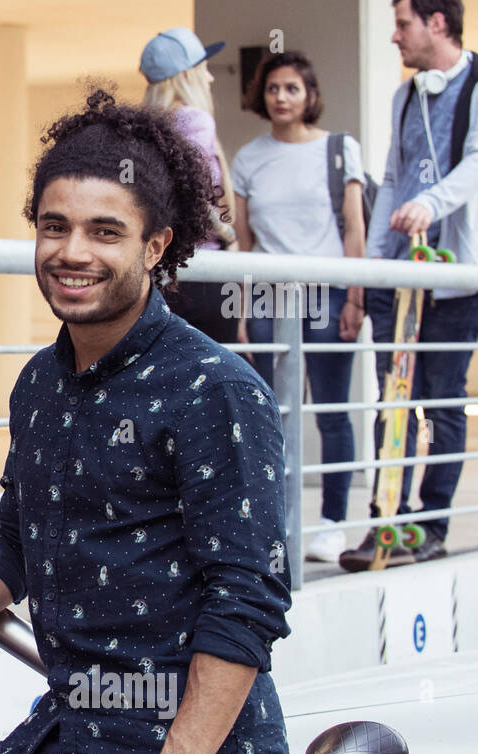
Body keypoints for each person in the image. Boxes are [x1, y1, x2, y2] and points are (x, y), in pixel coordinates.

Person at [0, 90, 291, 754]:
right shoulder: (40, 383)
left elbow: (246, 600)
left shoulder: (216, 388)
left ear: (156, 244)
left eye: (106, 231)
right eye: (54, 226)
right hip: (72, 740)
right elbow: (14, 536)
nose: (73, 251)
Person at [339, 0, 478, 571]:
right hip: (397, 276)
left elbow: (476, 162)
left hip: (454, 278)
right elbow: (394, 180)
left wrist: (432, 203)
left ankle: (432, 525)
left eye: (402, 24)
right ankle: (385, 523)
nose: (394, 37)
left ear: (436, 22)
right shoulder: (405, 97)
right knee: (391, 403)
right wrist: (372, 267)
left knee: (441, 403)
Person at [232, 51, 368, 563]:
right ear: (261, 96)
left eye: (292, 88)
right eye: (272, 88)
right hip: (269, 297)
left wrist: (355, 296)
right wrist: (242, 311)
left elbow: (354, 228)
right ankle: (277, 525)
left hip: (328, 293)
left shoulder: (339, 149)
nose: (281, 97)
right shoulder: (249, 158)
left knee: (331, 411)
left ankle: (332, 524)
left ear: (309, 95)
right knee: (270, 412)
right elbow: (244, 243)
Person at [141, 27, 240, 343]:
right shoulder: (195, 120)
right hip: (202, 272)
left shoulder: (144, 127)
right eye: (203, 69)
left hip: (158, 274)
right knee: (213, 366)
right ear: (186, 76)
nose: (209, 78)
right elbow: (191, 193)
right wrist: (228, 235)